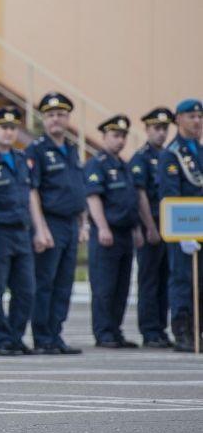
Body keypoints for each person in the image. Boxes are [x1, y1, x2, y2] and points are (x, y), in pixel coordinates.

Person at [28, 92, 87, 355]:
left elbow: (79, 189)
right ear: (43, 119)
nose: (56, 119)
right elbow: (32, 191)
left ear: (68, 118)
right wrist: (40, 229)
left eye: (61, 115)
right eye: (51, 115)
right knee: (45, 282)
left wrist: (83, 224)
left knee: (64, 283)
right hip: (50, 222)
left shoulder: (72, 149)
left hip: (71, 223)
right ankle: (42, 337)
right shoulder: (37, 150)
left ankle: (55, 334)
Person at [0, 106, 34, 355]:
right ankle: (0, 340)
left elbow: (29, 195)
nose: (9, 132)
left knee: (26, 289)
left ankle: (15, 337)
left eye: (13, 128)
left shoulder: (21, 159)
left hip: (21, 231)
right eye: (4, 127)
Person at [85, 115, 141, 348]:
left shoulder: (124, 165)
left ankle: (115, 330)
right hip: (107, 234)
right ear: (104, 137)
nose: (120, 140)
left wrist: (137, 229)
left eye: (123, 136)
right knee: (104, 287)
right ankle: (103, 332)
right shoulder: (97, 164)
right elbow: (93, 197)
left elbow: (131, 201)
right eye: (115, 135)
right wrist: (102, 227)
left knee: (121, 287)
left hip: (125, 233)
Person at [157, 99, 203, 352]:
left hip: (201, 229)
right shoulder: (172, 154)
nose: (197, 121)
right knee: (183, 281)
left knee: (201, 282)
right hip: (184, 230)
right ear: (178, 120)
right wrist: (185, 232)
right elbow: (170, 196)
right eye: (191, 116)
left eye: (200, 116)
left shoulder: (199, 151)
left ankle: (198, 330)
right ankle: (183, 331)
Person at [129, 106, 174, 347]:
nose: (161, 133)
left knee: (166, 279)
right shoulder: (141, 158)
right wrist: (150, 227)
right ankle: (149, 330)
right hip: (152, 226)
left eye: (165, 128)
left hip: (170, 226)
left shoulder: (169, 156)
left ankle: (161, 328)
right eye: (157, 128)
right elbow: (140, 195)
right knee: (149, 280)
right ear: (147, 129)